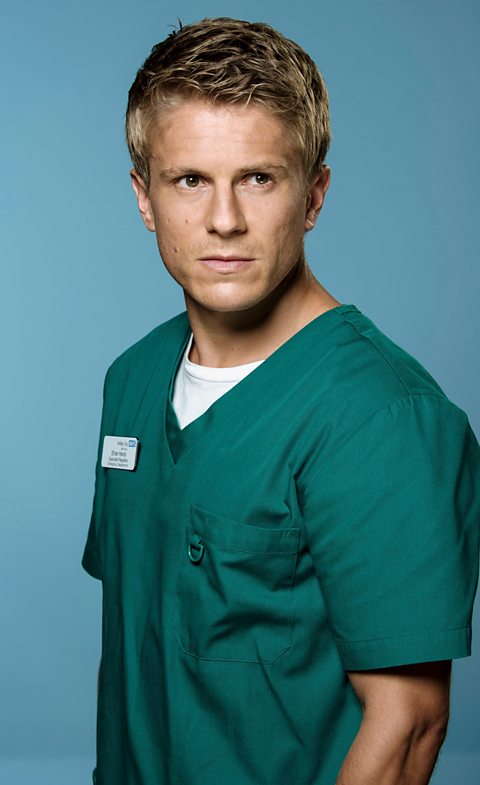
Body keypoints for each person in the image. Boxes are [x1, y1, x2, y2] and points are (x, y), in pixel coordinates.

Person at [81, 17, 480, 785]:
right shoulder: (130, 379)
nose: (224, 219)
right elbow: (144, 638)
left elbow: (407, 726)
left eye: (258, 178)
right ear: (144, 196)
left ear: (314, 194)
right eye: (189, 180)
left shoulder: (382, 418)